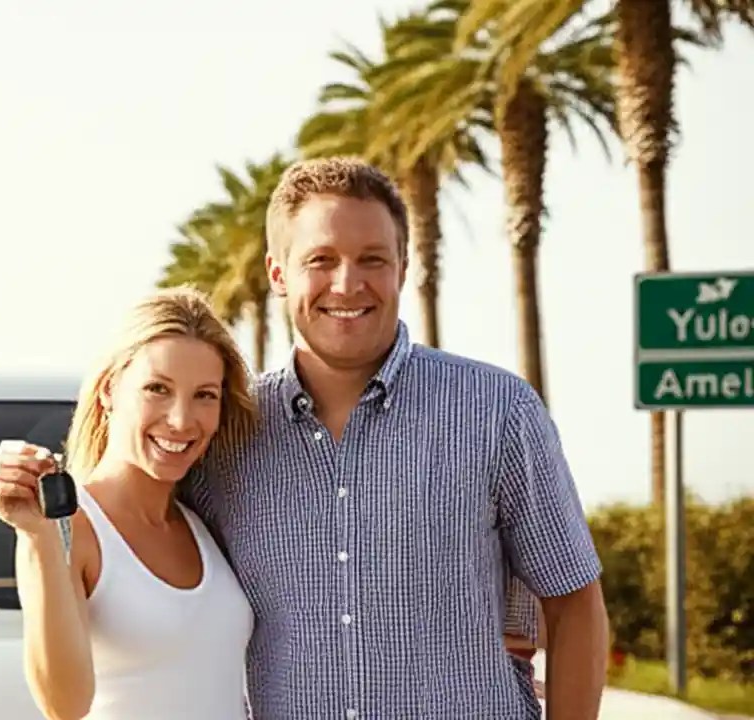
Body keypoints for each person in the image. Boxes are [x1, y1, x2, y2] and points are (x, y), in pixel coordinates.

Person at [175, 156, 609, 719]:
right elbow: (133, 538)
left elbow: (574, 603)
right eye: (321, 260)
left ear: (403, 266)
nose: (347, 283)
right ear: (278, 274)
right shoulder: (227, 432)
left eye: (372, 259)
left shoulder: (497, 411)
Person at [0, 287, 260, 720]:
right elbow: (65, 705)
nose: (180, 420)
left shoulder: (200, 523)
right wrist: (37, 536)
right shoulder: (66, 527)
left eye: (205, 395)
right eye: (157, 388)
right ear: (109, 390)